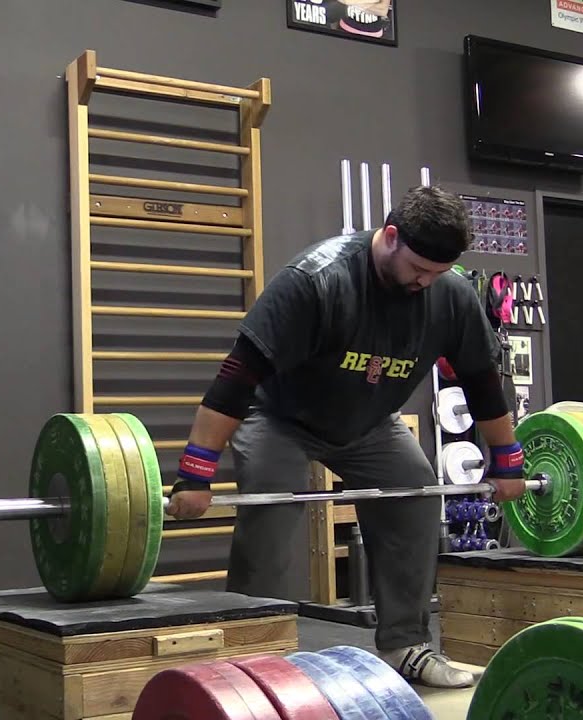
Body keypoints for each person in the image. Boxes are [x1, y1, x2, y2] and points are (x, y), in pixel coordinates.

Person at [164, 185, 529, 689]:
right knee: (272, 516)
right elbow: (236, 378)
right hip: (278, 417)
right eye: (419, 269)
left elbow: (483, 384)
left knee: (415, 495)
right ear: (391, 236)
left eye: (438, 274)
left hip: (368, 424)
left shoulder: (450, 296)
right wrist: (194, 473)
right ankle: (250, 665)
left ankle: (406, 645)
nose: (426, 282)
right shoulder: (318, 279)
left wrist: (507, 462)